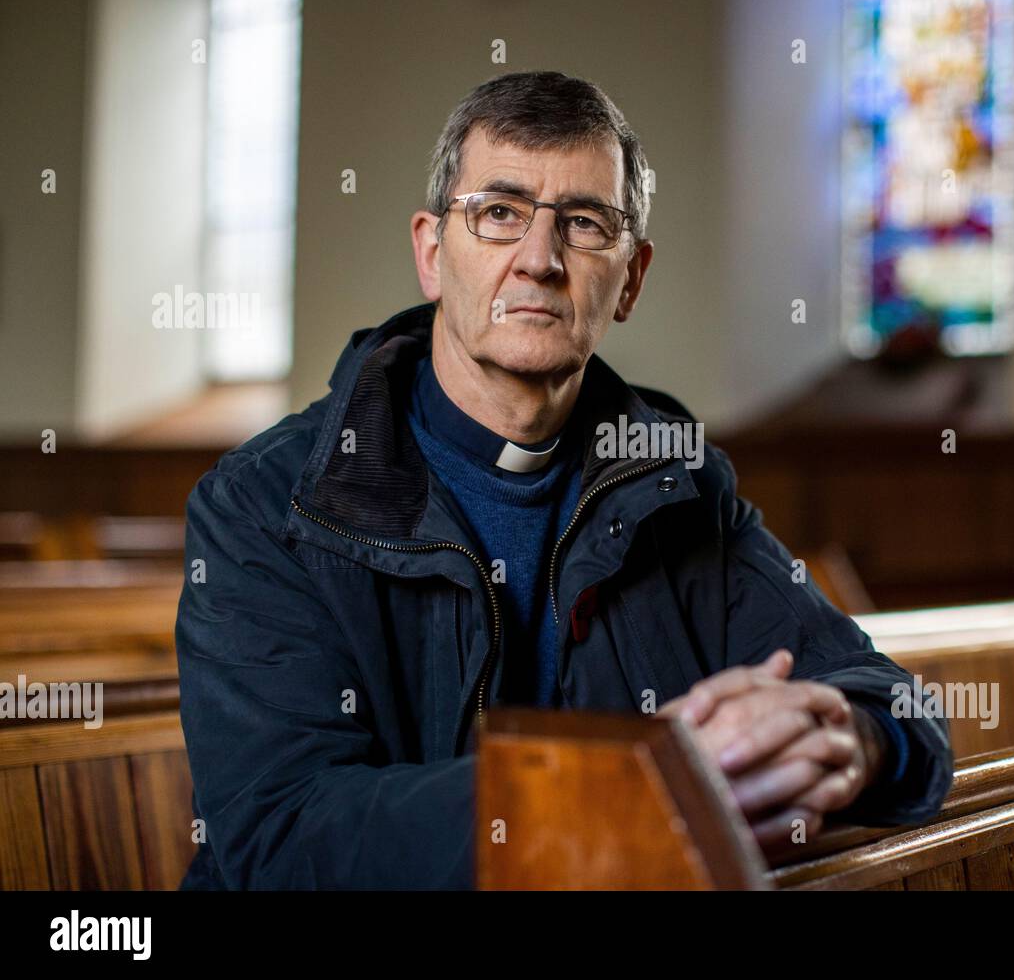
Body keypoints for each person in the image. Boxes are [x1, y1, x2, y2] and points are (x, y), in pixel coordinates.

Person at [176, 70, 952, 889]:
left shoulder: (677, 480)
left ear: (632, 278)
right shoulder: (267, 503)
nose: (539, 260)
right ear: (432, 253)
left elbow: (894, 702)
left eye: (583, 224)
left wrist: (846, 739)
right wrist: (616, 790)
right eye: (499, 213)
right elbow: (284, 833)